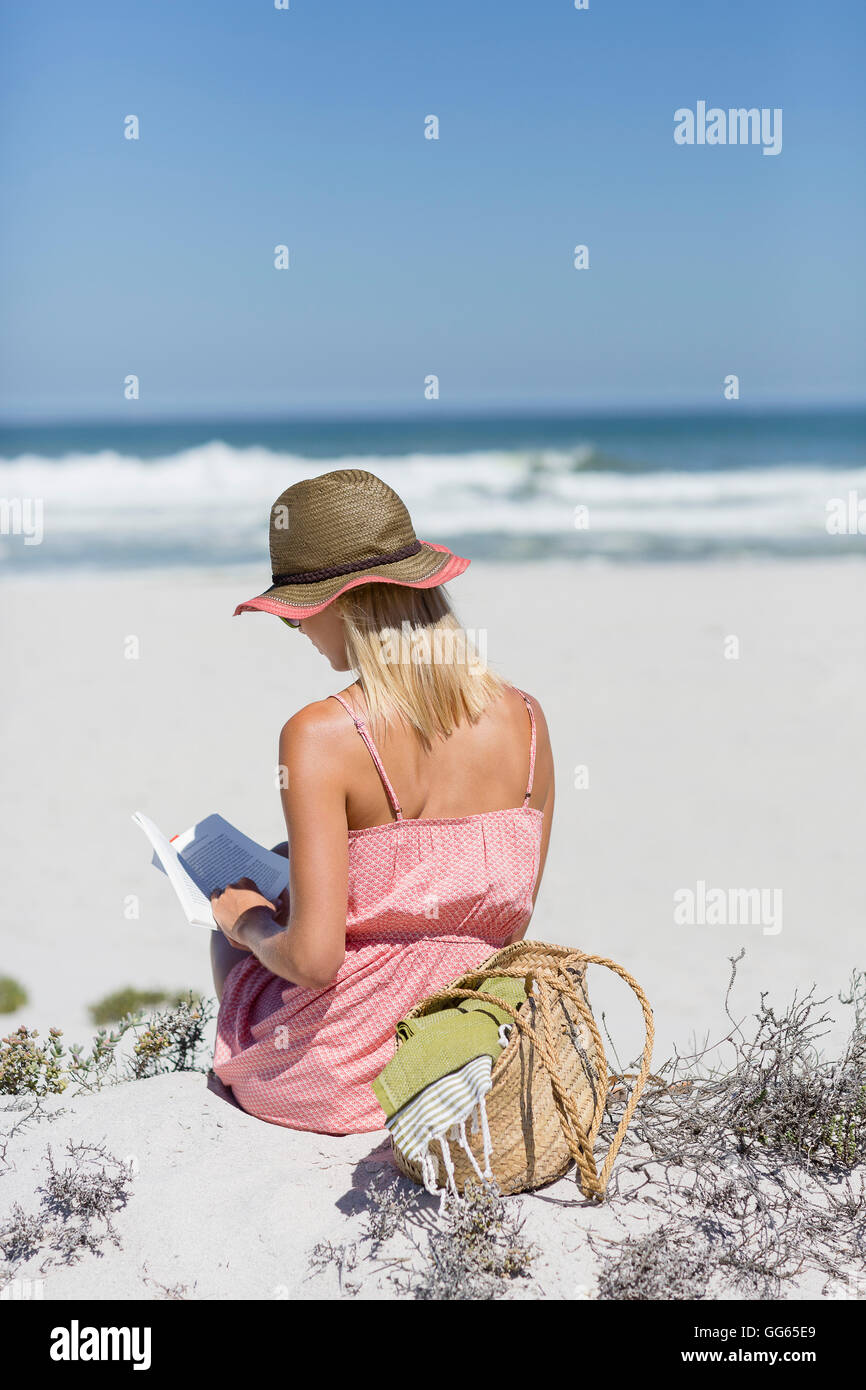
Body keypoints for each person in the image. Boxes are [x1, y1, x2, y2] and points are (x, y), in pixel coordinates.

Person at [210, 468, 554, 1134]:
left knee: (236, 904)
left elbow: (314, 961)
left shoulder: (320, 733)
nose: (296, 628)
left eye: (301, 609)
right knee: (291, 862)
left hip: (337, 1076)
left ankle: (245, 1066)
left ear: (346, 603)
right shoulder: (531, 721)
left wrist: (245, 922)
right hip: (463, 1050)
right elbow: (509, 926)